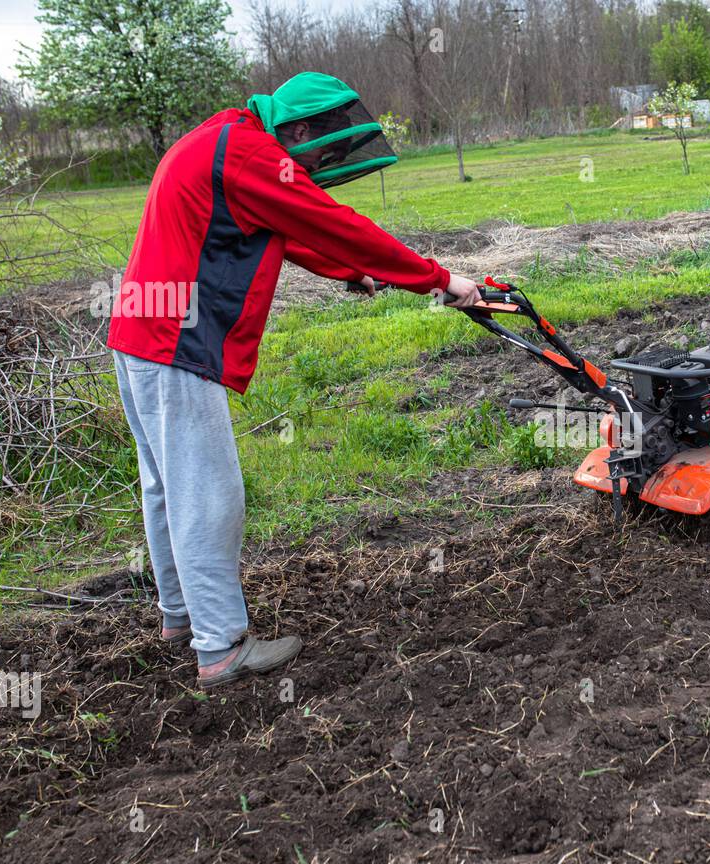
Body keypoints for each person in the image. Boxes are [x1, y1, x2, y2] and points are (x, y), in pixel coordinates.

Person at [106, 73, 481, 688]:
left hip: (138, 329)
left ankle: (180, 617)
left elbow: (274, 225)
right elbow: (329, 221)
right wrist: (442, 280)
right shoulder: (253, 152)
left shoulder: (224, 136)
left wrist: (345, 273)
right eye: (322, 150)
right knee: (209, 491)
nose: (322, 163)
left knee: (167, 486)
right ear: (299, 129)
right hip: (176, 337)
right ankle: (221, 645)